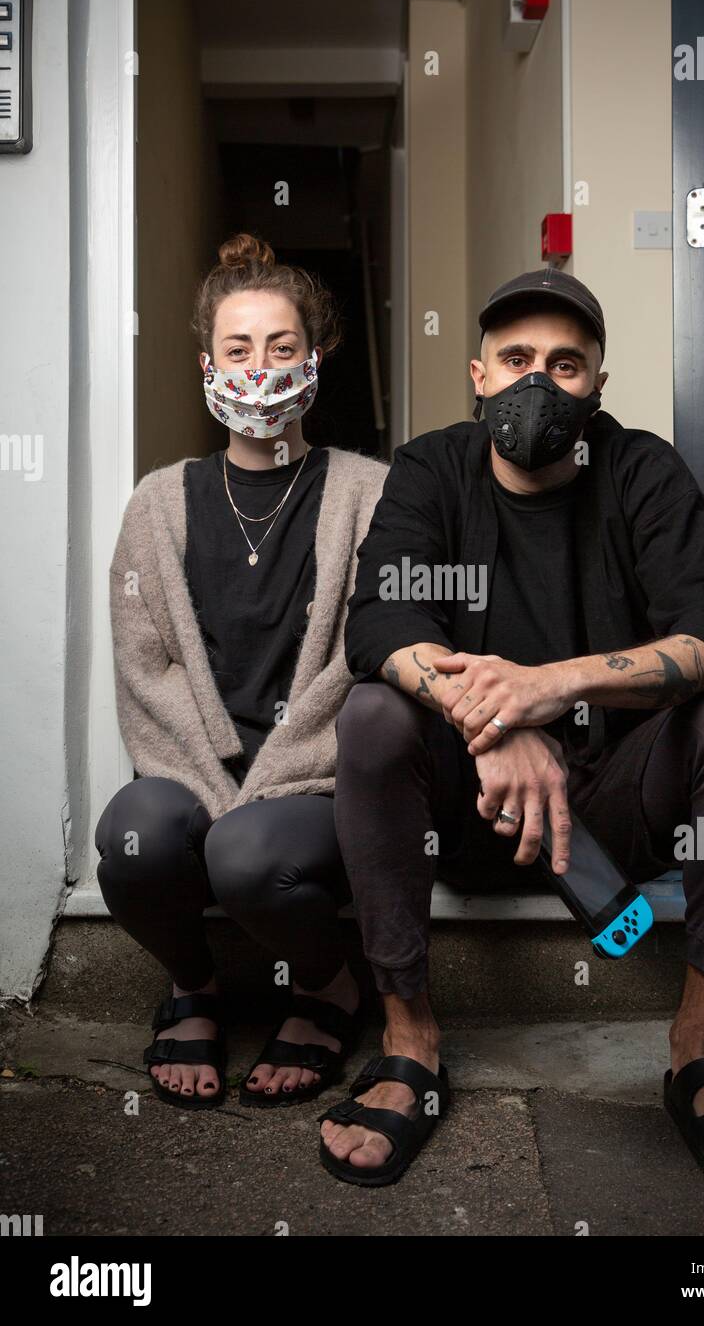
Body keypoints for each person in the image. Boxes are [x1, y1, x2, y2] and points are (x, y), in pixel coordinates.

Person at [319, 267, 704, 1189]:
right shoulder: (431, 467)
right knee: (375, 711)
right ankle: (411, 1042)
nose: (540, 382)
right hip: (468, 806)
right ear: (479, 374)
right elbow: (378, 625)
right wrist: (500, 726)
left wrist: (549, 687)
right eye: (518, 359)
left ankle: (698, 1047)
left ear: (598, 387)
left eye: (567, 365)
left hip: (617, 809)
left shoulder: (641, 467)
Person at [95, 233, 386, 1109]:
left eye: (282, 347)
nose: (260, 370)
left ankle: (328, 988)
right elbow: (144, 669)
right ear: (206, 365)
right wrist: (219, 794)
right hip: (195, 769)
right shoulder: (158, 501)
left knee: (252, 856)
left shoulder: (369, 492)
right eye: (239, 349)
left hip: (312, 779)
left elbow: (369, 657)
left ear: (317, 359)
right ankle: (195, 986)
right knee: (133, 838)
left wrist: (263, 792)